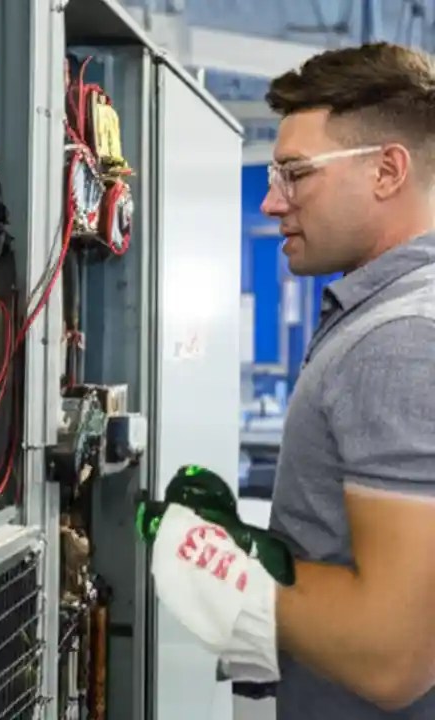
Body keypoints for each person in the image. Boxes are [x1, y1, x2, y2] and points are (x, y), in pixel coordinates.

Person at [147, 42, 435, 717]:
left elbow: (391, 654)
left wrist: (221, 559)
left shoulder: (397, 341)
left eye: (295, 173)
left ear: (387, 170)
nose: (273, 203)